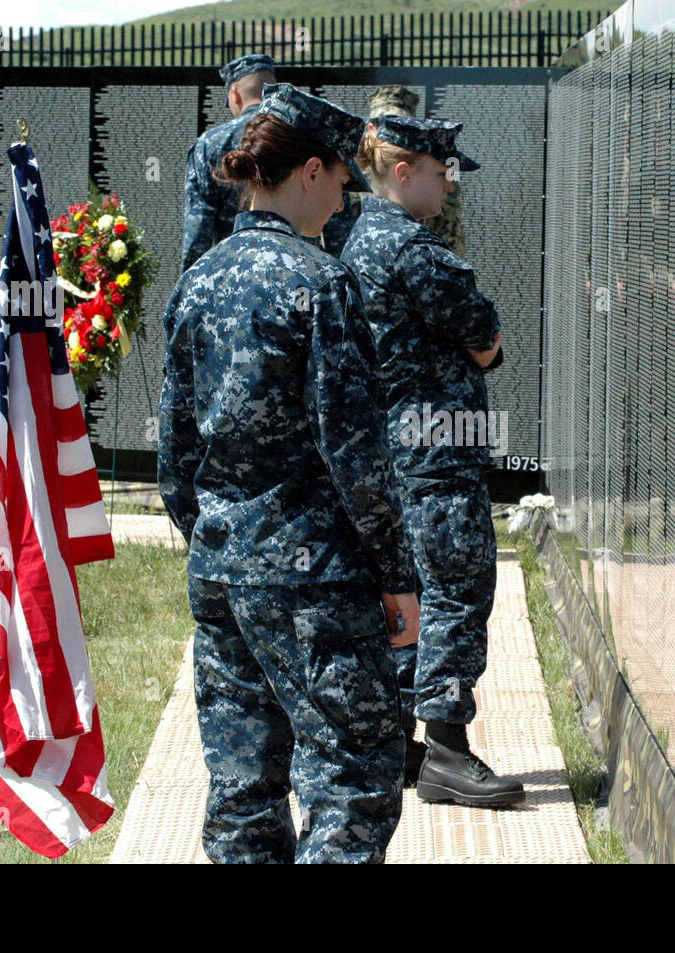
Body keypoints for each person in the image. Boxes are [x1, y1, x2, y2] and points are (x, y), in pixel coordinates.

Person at [158, 82, 420, 863]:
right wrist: (396, 571)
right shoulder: (322, 283)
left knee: (243, 792)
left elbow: (174, 460)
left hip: (222, 575)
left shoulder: (195, 284)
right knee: (353, 781)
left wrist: (216, 537)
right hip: (317, 584)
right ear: (308, 171)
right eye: (340, 180)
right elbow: (356, 451)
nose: (344, 201)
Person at [341, 115, 522, 807]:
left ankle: (400, 744)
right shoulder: (418, 252)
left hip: (391, 449)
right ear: (401, 168)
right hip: (437, 453)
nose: (450, 181)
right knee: (457, 586)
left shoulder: (356, 242)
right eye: (440, 168)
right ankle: (446, 747)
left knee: (407, 591)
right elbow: (488, 343)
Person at [320, 85, 466, 258]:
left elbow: (450, 240)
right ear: (370, 127)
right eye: (383, 123)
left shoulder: (438, 181)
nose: (391, 133)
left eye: (397, 124)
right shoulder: (348, 177)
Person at [180, 54, 276, 272]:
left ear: (234, 94)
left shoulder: (211, 143)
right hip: (297, 278)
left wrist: (189, 286)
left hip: (233, 274)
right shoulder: (301, 136)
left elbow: (199, 229)